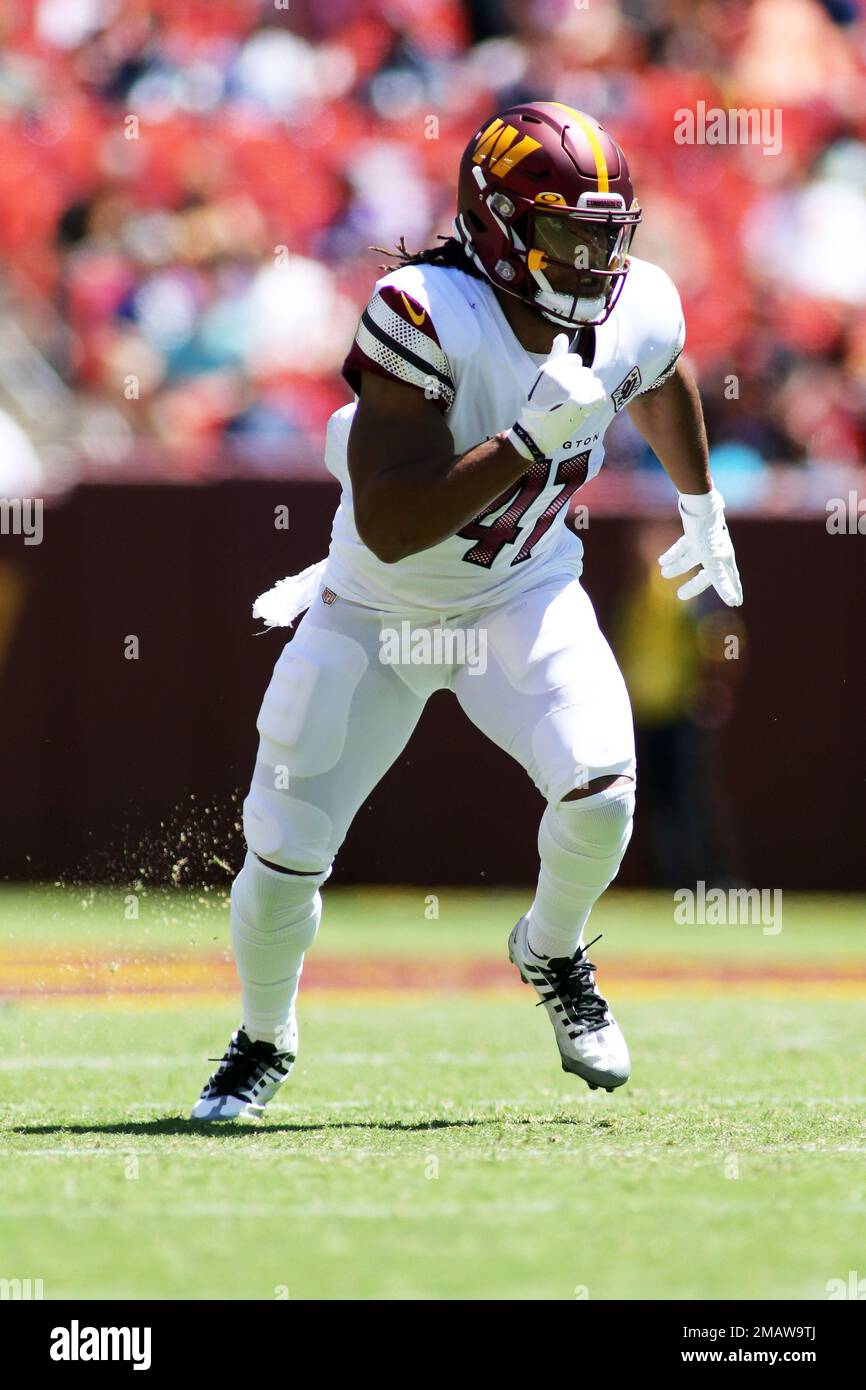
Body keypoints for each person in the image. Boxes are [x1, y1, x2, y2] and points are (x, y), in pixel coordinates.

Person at [191, 102, 742, 1121]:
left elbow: (659, 373)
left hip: (520, 594)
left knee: (602, 790)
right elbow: (394, 522)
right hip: (373, 608)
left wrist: (698, 501)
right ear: (495, 224)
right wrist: (527, 444)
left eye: (603, 233)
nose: (590, 258)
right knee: (281, 852)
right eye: (564, 232)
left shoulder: (638, 302)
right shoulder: (420, 310)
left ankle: (551, 948)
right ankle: (262, 1036)